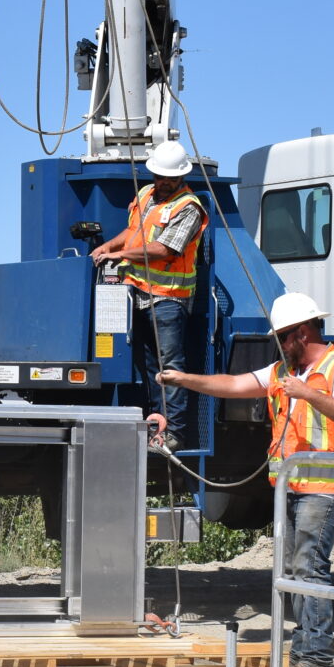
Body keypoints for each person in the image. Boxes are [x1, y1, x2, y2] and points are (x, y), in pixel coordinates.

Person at [158, 292, 334, 667]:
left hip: (326, 488)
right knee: (297, 571)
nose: (280, 347)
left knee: (309, 569)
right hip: (294, 485)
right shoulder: (285, 372)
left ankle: (318, 659)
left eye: (283, 338)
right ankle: (306, 654)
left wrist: (309, 395)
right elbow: (234, 384)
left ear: (302, 333)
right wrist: (184, 379)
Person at [89, 143, 207, 451]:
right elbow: (132, 233)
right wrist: (109, 248)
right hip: (138, 295)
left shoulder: (189, 208)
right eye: (159, 176)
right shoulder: (145, 195)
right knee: (151, 368)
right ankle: (158, 425)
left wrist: (121, 255)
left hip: (168, 299)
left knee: (170, 367)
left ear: (181, 177)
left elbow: (166, 249)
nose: (163, 182)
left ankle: (175, 433)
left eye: (169, 178)